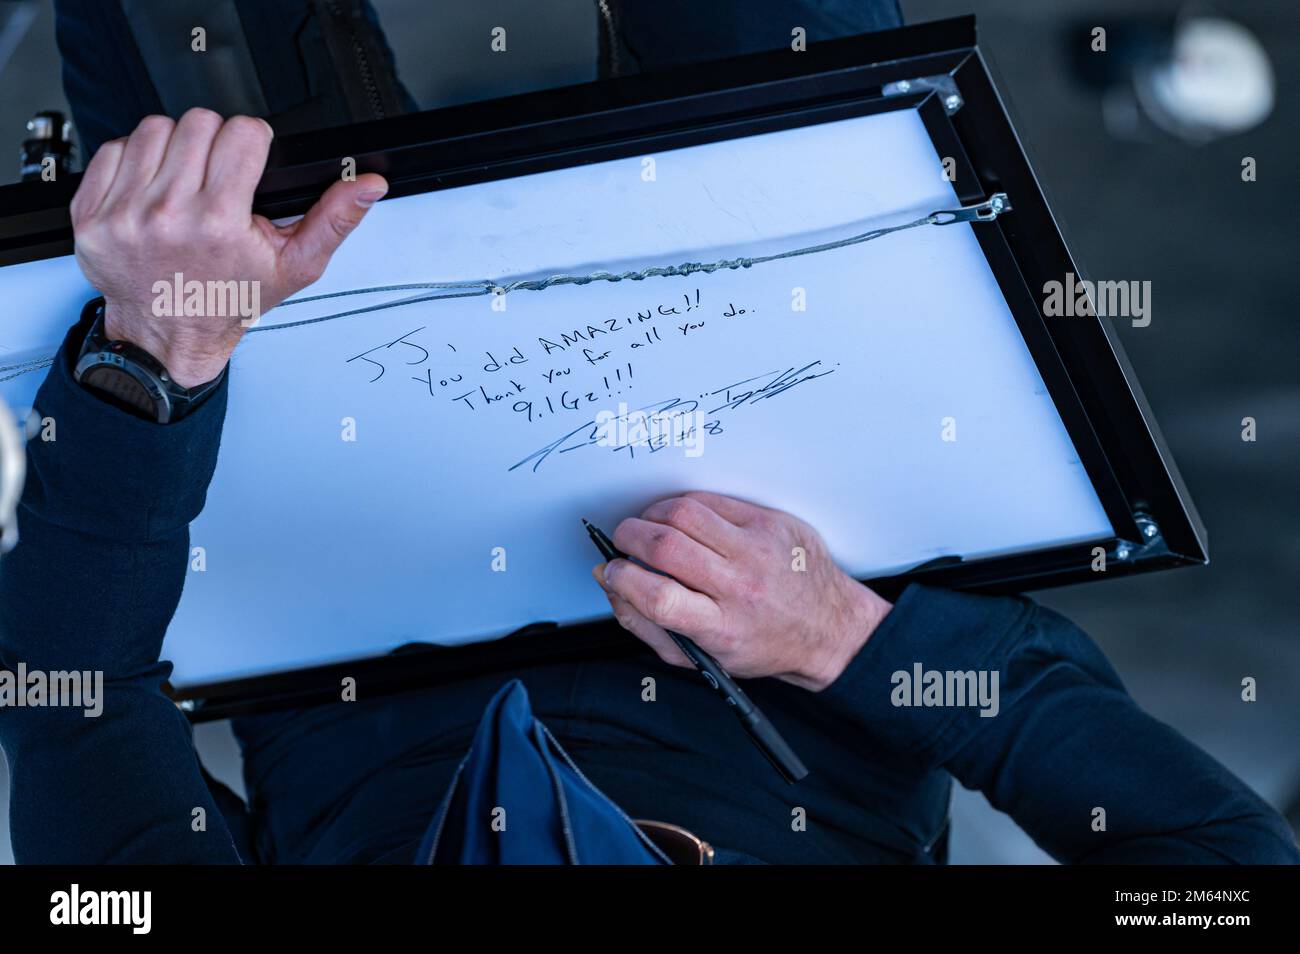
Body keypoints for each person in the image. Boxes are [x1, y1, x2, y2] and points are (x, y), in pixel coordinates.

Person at [2, 1, 1297, 865]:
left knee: (187, 71)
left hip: (305, 422)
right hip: (789, 455)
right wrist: (855, 639)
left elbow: (73, 710)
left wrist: (153, 358)